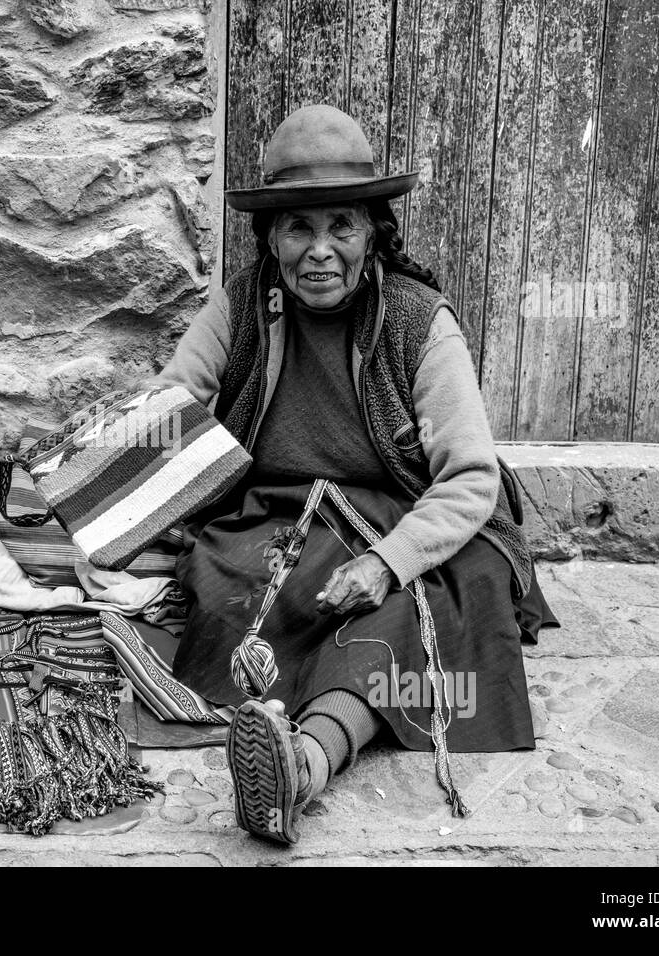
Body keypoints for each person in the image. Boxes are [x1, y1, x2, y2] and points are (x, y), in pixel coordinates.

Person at [147, 104, 558, 844]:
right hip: (283, 520)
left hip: (408, 514)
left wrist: (385, 562)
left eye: (342, 225)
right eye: (298, 227)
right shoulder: (243, 306)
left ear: (374, 234)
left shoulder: (416, 322)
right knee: (234, 586)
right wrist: (98, 487)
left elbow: (468, 479)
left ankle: (304, 763)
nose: (320, 250)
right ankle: (283, 724)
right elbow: (173, 407)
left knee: (414, 605)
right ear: (270, 239)